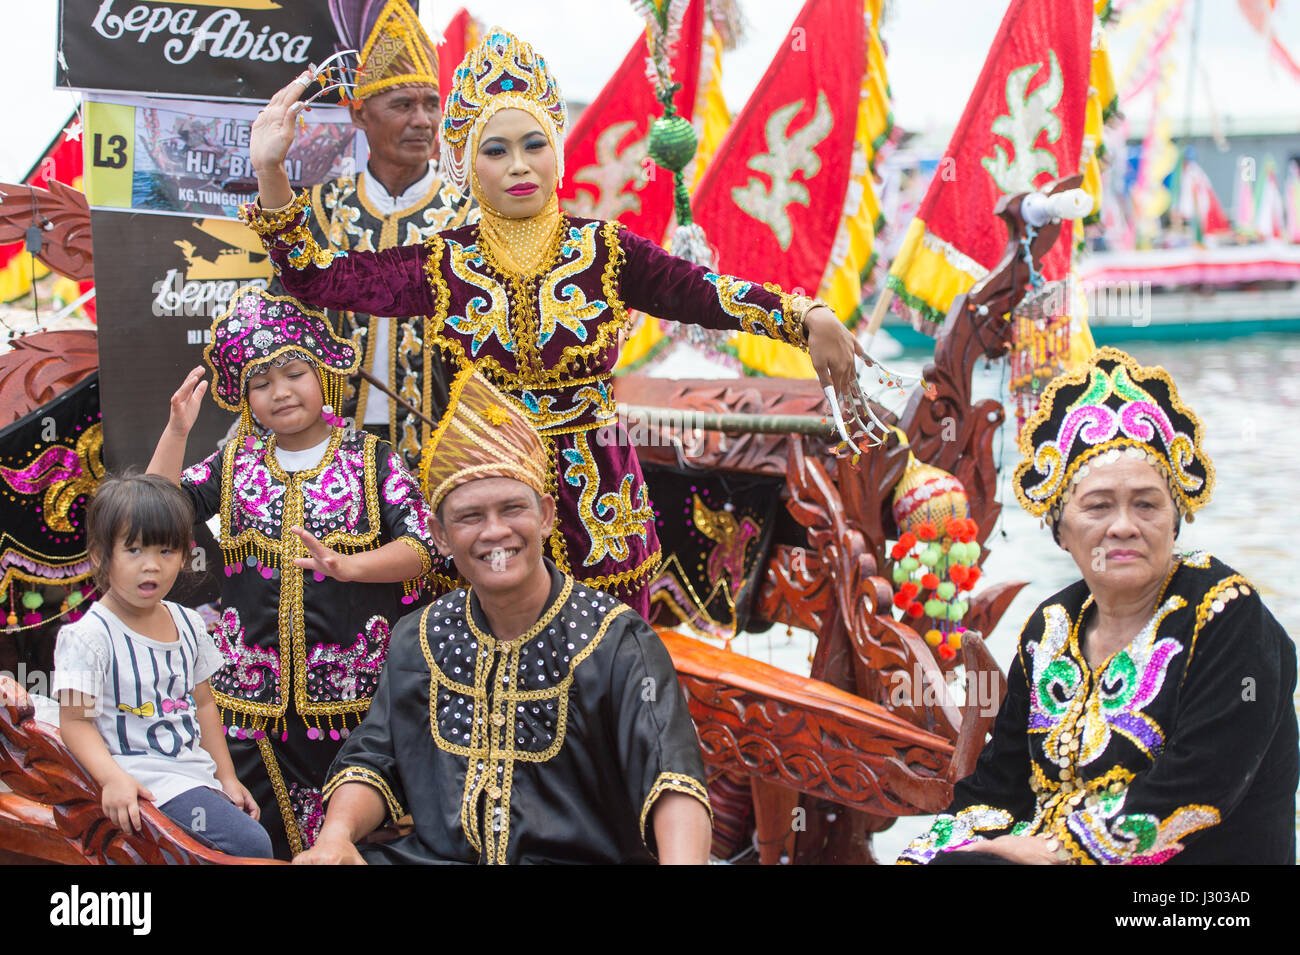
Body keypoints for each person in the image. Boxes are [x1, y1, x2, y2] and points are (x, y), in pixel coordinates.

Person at [240, 29, 877, 619]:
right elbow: (318, 277)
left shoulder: (606, 251)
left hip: (598, 495)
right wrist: (271, 170)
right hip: (488, 484)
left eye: (533, 144)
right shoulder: (444, 262)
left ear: (557, 153)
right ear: (466, 164)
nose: (518, 165)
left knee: (604, 668)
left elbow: (703, 292)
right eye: (496, 149)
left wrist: (801, 314)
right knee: (489, 657)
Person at [293, 366, 713, 864]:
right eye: (470, 517)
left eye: (512, 509)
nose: (494, 533)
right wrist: (337, 837)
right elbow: (375, 758)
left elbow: (670, 775)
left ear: (547, 516)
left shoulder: (615, 638)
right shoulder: (422, 637)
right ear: (441, 536)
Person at [899, 347, 1298, 865]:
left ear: (1175, 521)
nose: (1124, 526)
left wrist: (1046, 850)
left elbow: (1196, 791)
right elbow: (1000, 785)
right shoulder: (1050, 627)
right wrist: (937, 851)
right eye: (1098, 505)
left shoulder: (1224, 611)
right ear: (1060, 530)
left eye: (1148, 504)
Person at [147, 286, 438, 858]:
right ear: (245, 398)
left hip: (358, 709)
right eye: (260, 383)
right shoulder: (233, 465)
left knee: (361, 845)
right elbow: (152, 518)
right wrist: (178, 431)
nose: (279, 392)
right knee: (260, 844)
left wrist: (350, 566)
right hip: (251, 714)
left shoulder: (372, 458)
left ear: (322, 375)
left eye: (293, 373)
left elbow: (425, 549)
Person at [284, 0, 477, 467]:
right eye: (403, 105)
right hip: (328, 449)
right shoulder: (319, 209)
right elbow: (286, 324)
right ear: (359, 115)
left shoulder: (470, 218)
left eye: (432, 105)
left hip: (440, 447)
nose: (422, 121)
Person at [54, 474, 273, 859]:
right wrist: (113, 779)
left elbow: (204, 705)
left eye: (166, 552)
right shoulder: (89, 637)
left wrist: (226, 777)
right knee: (249, 845)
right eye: (134, 550)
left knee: (251, 833)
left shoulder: (188, 624)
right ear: (101, 555)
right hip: (141, 781)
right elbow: (76, 722)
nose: (151, 566)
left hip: (192, 776)